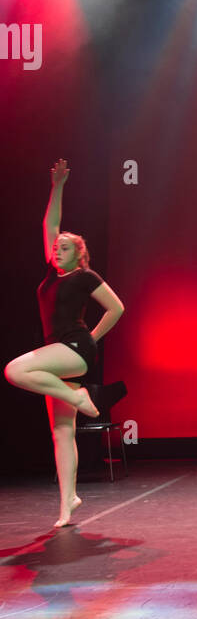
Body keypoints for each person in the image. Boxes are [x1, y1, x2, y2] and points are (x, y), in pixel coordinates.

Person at [4, 159, 125, 527]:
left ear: (79, 254)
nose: (58, 249)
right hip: (60, 354)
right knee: (62, 431)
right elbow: (49, 225)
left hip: (75, 349)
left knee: (15, 369)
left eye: (66, 248)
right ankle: (68, 501)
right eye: (56, 247)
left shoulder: (84, 276)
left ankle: (77, 396)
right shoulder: (51, 274)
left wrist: (92, 338)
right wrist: (57, 186)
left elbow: (117, 308)